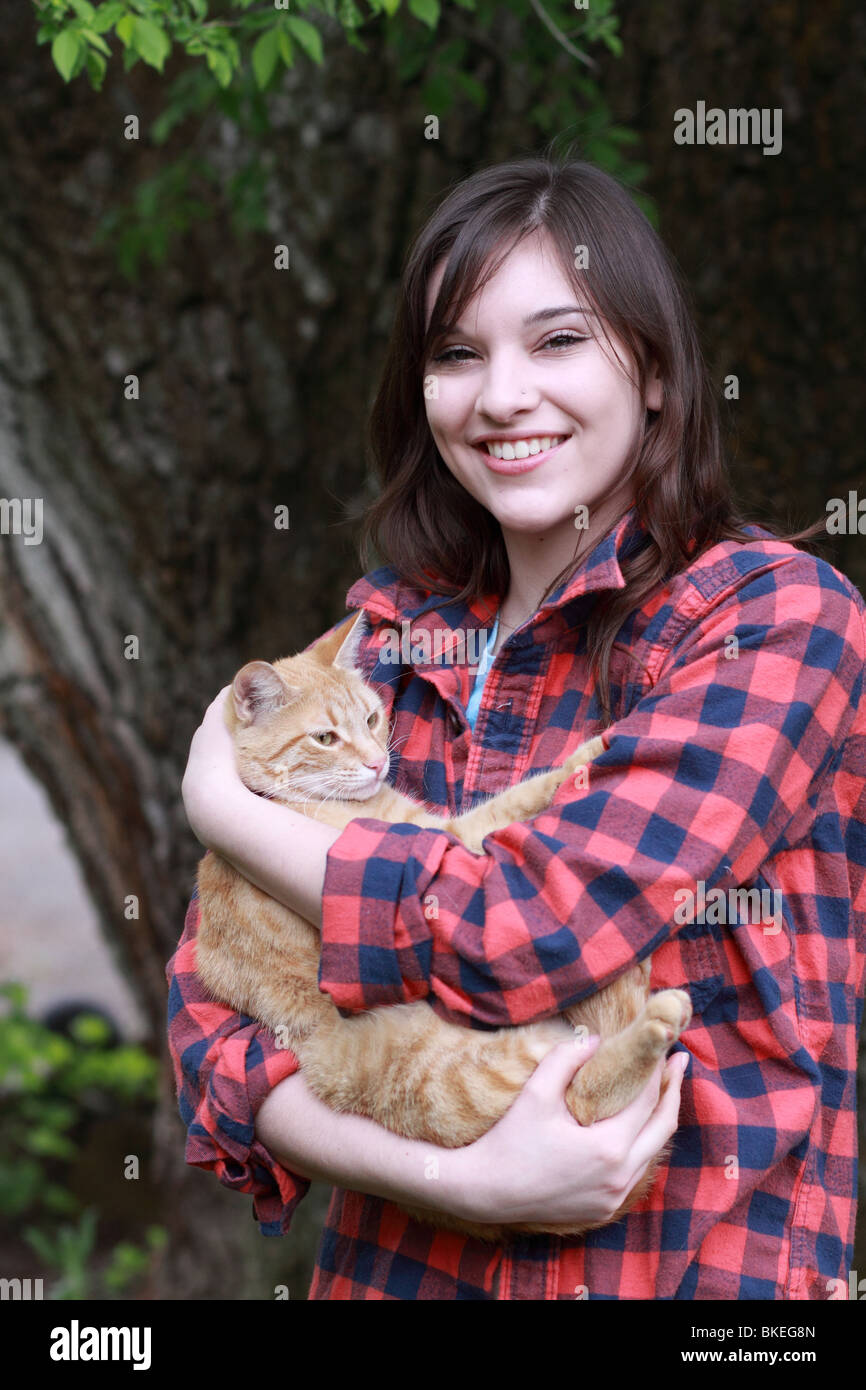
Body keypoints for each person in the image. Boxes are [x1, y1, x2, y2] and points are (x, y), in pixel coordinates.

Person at [169, 153, 865, 1300]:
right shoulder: (380, 651)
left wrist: (224, 813)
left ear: (650, 368)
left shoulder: (772, 623)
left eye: (555, 341)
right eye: (455, 353)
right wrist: (457, 1181)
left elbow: (525, 935)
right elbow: (213, 1023)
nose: (499, 396)